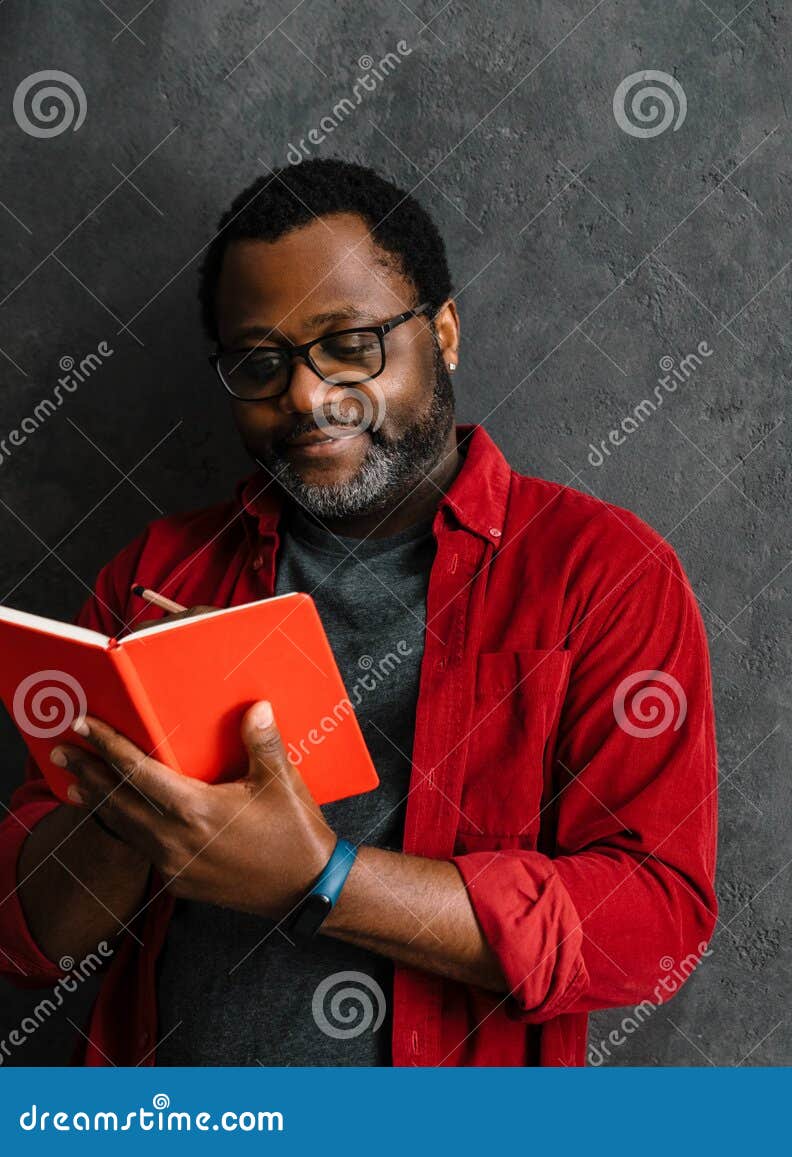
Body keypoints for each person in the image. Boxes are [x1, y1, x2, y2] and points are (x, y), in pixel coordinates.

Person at [0, 158, 718, 1066]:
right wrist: (125, 801)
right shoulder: (156, 575)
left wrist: (320, 877)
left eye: (350, 344)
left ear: (444, 332)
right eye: (260, 364)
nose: (306, 394)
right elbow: (30, 940)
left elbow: (652, 927)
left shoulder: (604, 574)